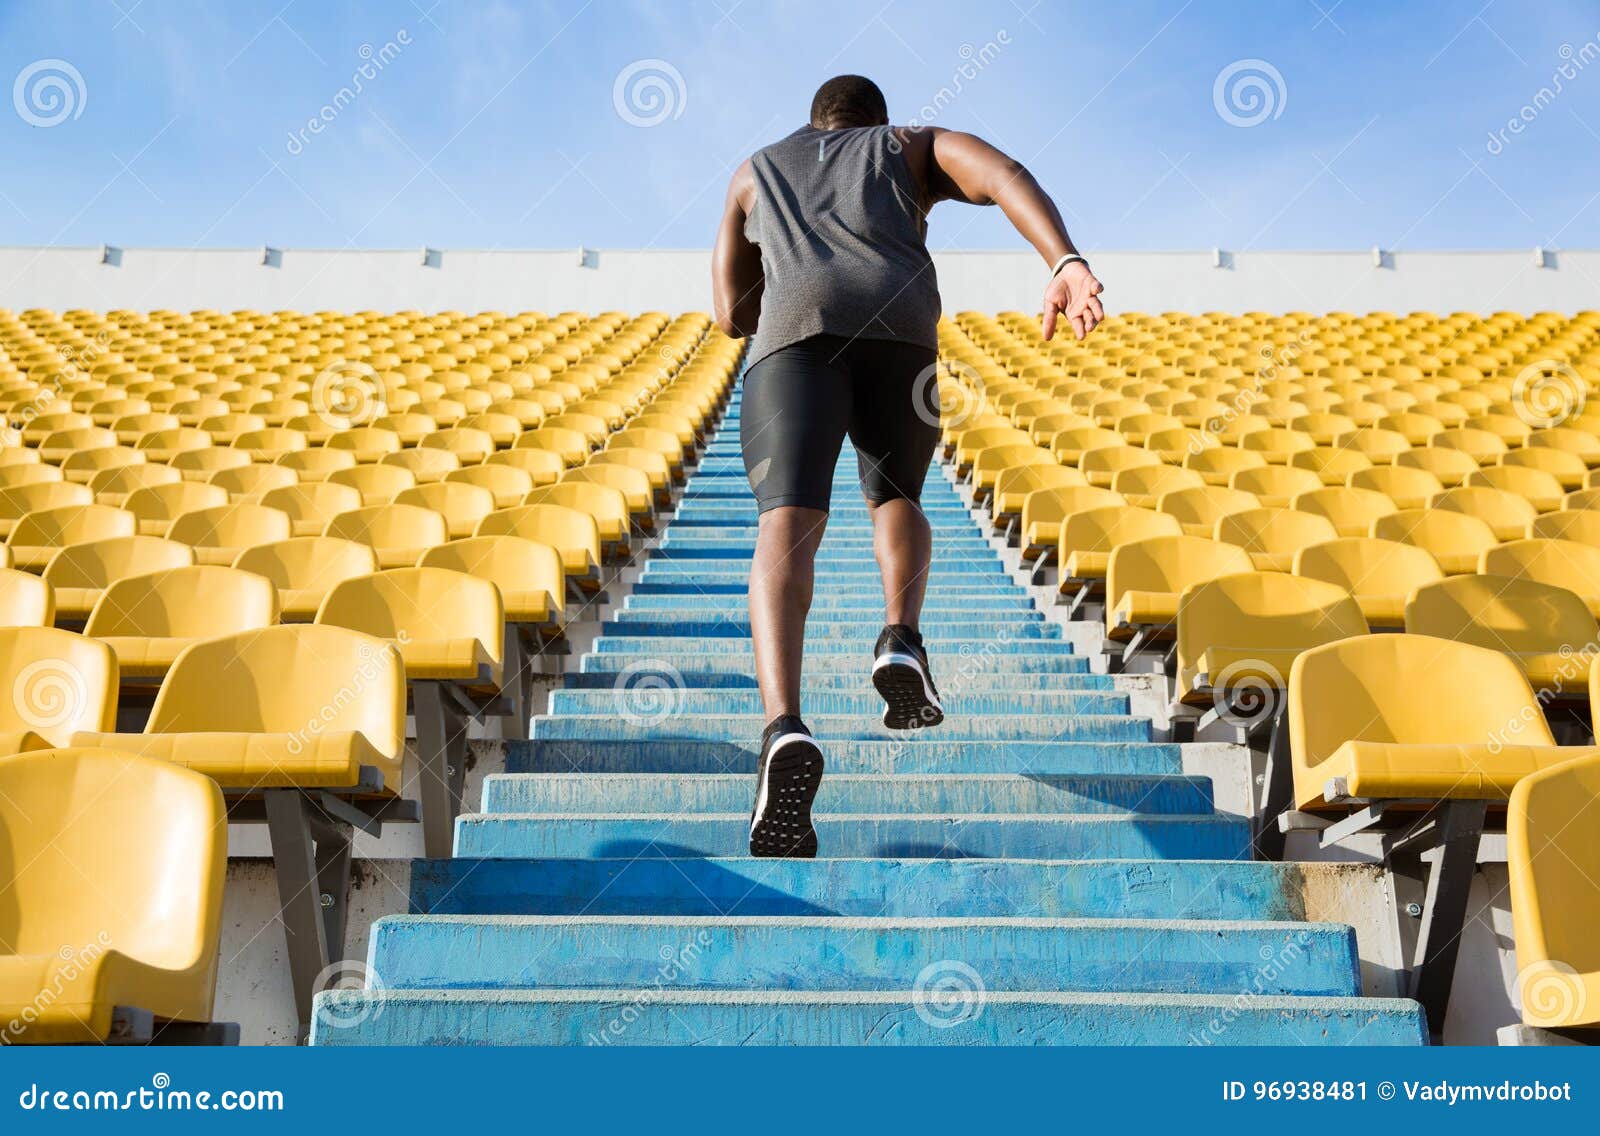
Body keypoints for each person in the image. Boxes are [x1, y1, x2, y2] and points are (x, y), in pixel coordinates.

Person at [711, 74, 1105, 858]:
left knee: (787, 523)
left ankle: (784, 727)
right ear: (875, 121)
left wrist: (790, 269)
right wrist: (1064, 260)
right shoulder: (909, 146)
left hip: (796, 339)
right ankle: (900, 636)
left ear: (814, 120)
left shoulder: (756, 168)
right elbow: (1002, 176)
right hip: (903, 333)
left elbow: (730, 313)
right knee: (896, 496)